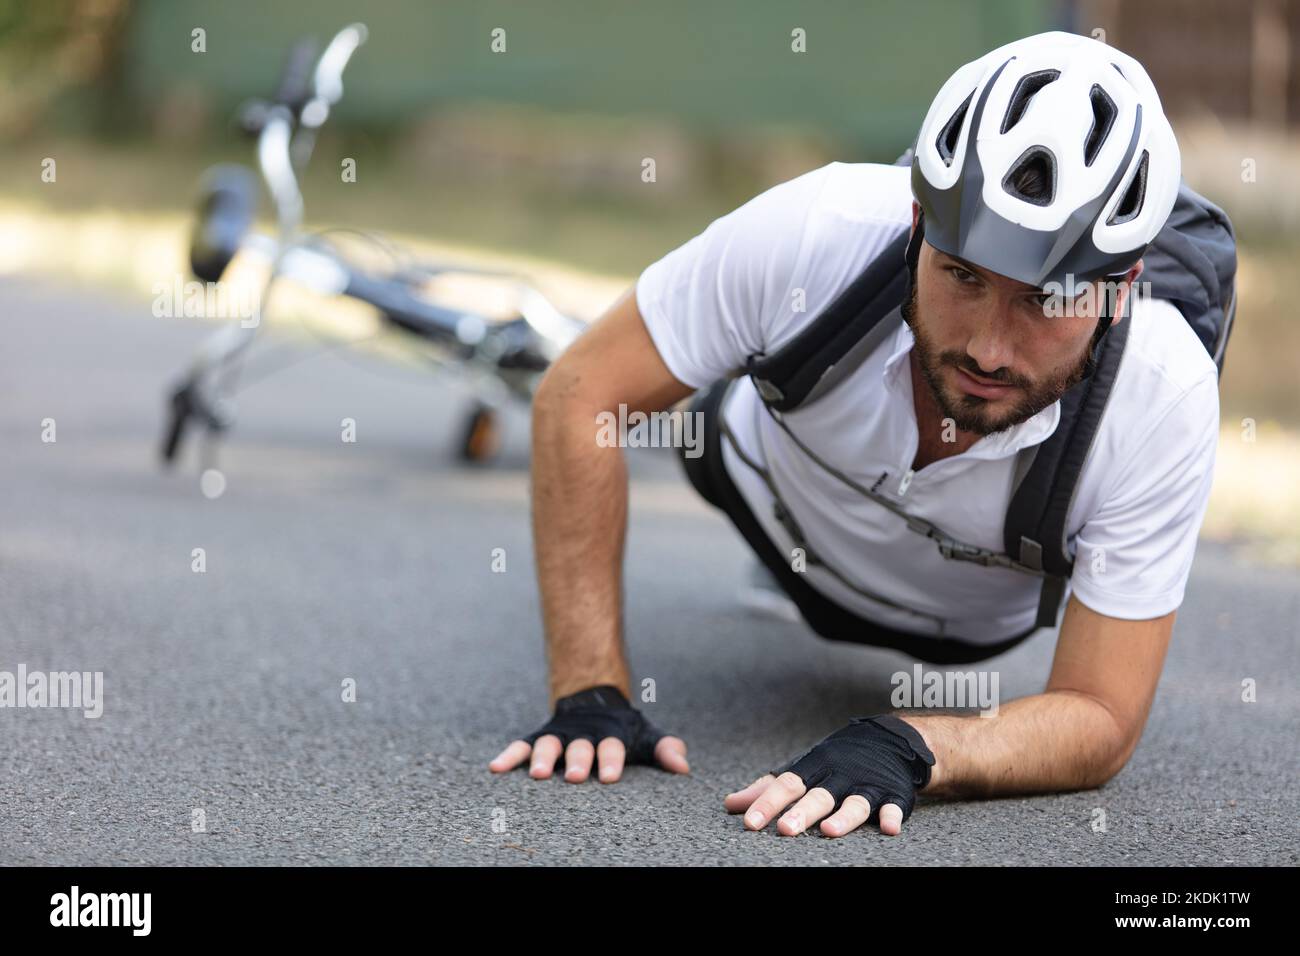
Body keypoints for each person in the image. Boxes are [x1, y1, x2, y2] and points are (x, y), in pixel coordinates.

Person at [490, 32, 1222, 838]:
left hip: (963, 637)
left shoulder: (1164, 396)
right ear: (916, 226)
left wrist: (915, 743)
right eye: (963, 276)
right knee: (689, 406)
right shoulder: (818, 228)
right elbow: (583, 392)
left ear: (1118, 292)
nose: (986, 346)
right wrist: (589, 688)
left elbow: (1100, 712)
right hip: (761, 495)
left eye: (1045, 301)